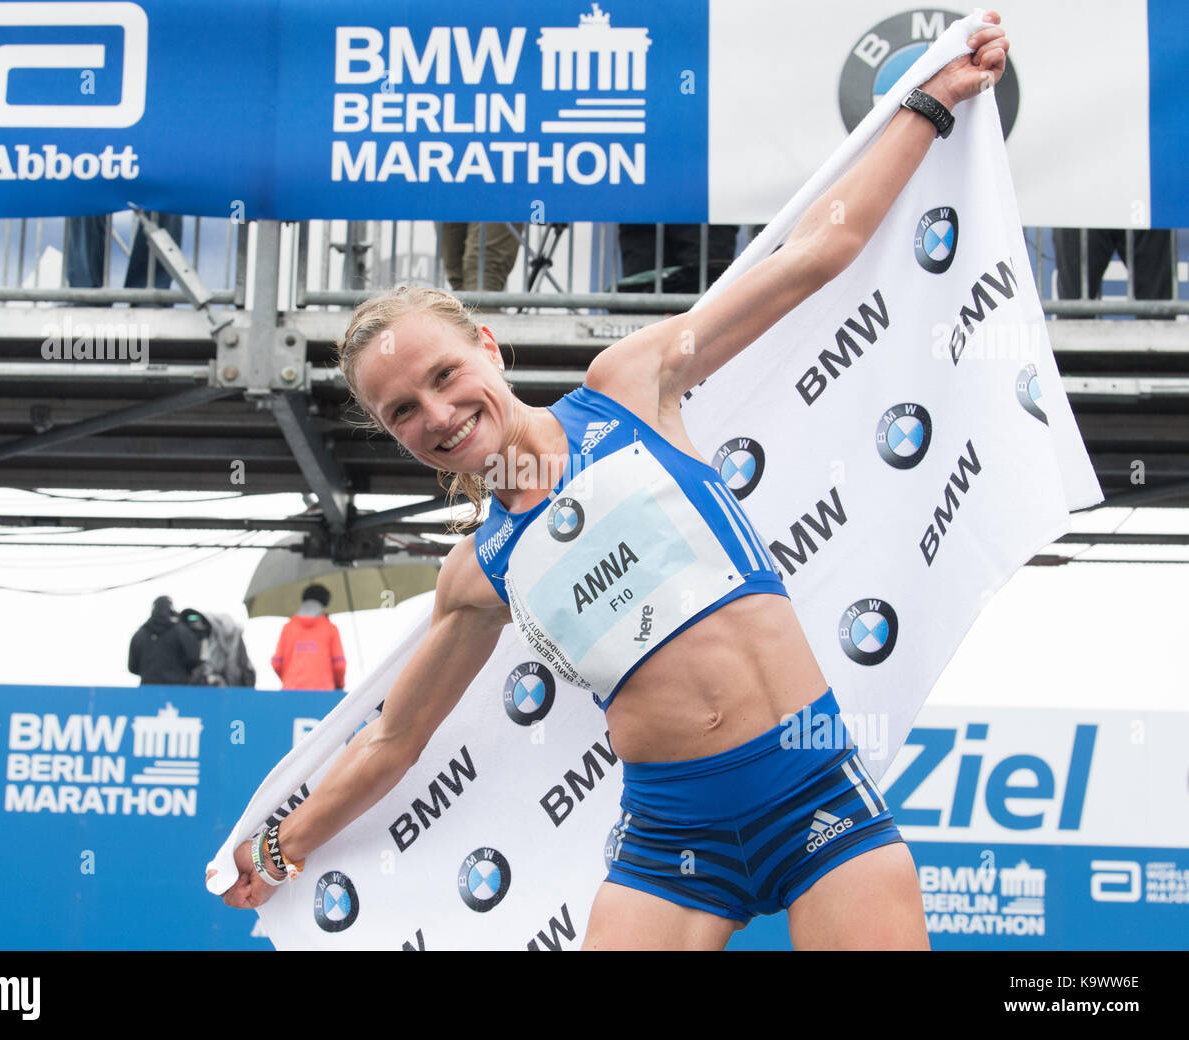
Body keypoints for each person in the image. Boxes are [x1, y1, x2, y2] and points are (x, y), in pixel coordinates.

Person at [220, 16, 1011, 950]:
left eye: (442, 378)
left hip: (812, 793)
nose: (435, 415)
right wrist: (280, 847)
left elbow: (814, 254)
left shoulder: (628, 388)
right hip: (672, 841)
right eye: (401, 413)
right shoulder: (476, 576)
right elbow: (394, 743)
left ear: (487, 346)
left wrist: (929, 101)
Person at [271, 585, 347, 691]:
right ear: (325, 602)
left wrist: (289, 680)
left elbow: (276, 663)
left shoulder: (288, 628)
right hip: (324, 693)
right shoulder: (331, 629)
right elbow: (339, 665)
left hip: (291, 691)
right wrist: (339, 685)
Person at [127, 595, 201, 686]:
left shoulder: (139, 634)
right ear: (171, 610)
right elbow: (193, 658)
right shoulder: (181, 631)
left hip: (148, 690)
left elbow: (132, 667)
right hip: (178, 689)